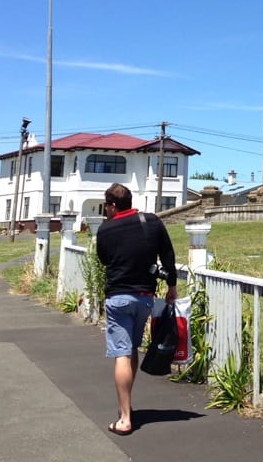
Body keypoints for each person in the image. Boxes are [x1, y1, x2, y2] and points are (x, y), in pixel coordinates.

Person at [96, 183, 178, 436]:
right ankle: (126, 405)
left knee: (121, 353)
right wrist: (172, 286)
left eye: (106, 206)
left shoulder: (105, 229)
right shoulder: (151, 221)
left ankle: (125, 418)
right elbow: (167, 254)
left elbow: (104, 259)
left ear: (111, 205)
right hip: (144, 297)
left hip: (118, 297)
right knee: (131, 349)